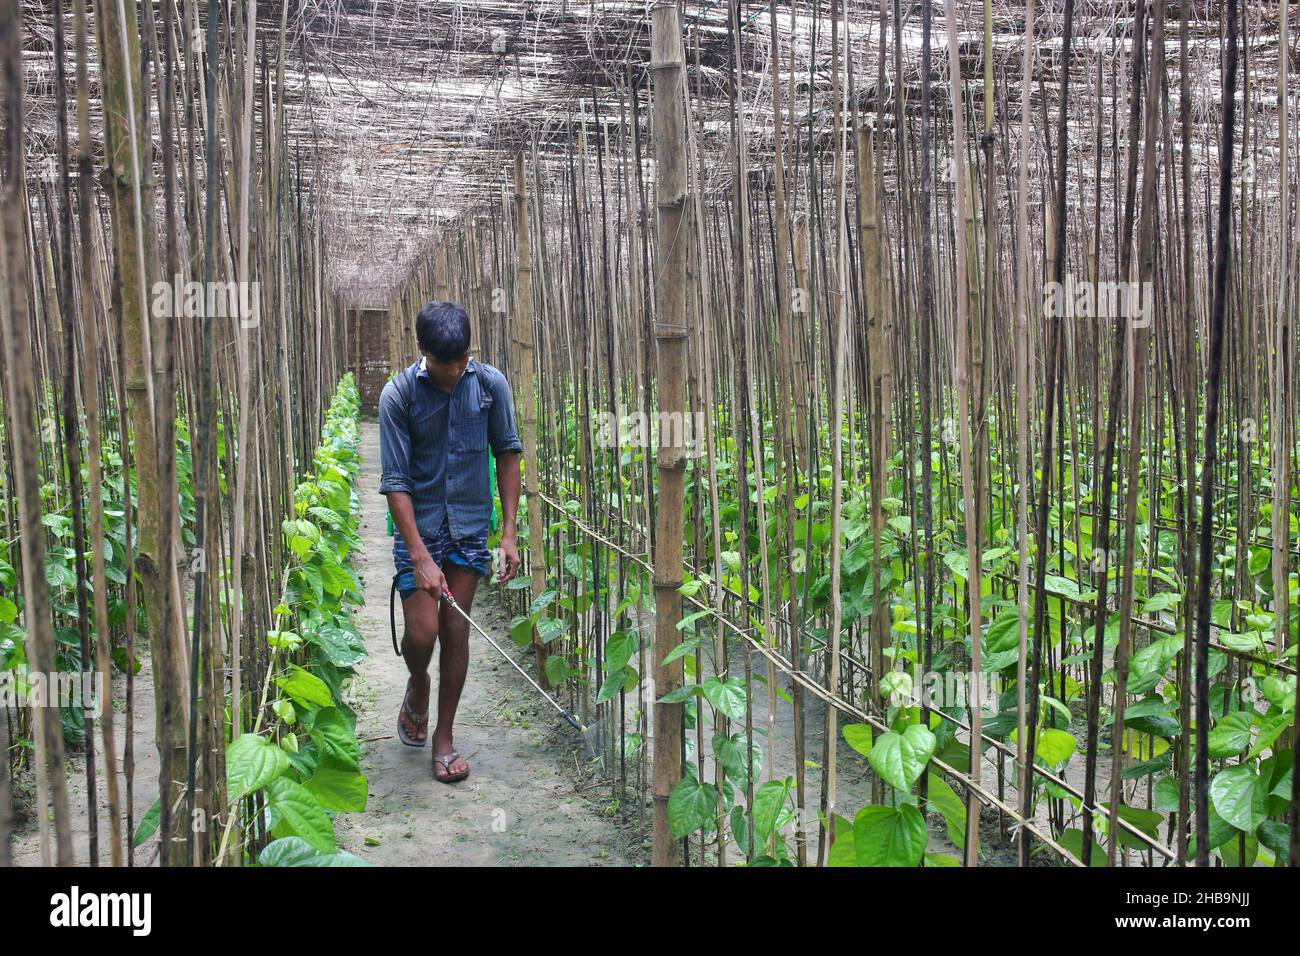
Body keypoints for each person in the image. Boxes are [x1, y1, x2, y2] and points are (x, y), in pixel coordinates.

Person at [378, 300, 522, 782]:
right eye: (446, 363)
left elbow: (507, 452)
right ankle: (418, 683)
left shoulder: (489, 386)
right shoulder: (398, 396)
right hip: (417, 528)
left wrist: (508, 532)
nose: (457, 370)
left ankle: (444, 737)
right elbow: (396, 481)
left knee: (456, 628)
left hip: (468, 526)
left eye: (463, 359)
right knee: (422, 632)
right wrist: (418, 555)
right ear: (422, 351)